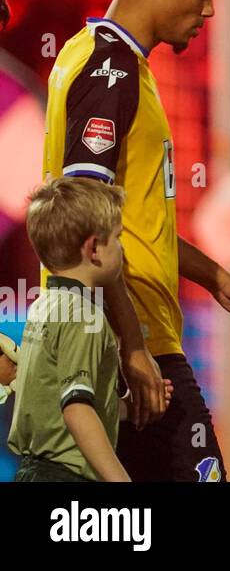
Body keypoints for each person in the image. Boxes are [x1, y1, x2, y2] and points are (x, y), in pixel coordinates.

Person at [42, 0, 230, 481]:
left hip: (118, 336)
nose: (208, 11)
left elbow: (125, 222)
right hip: (124, 341)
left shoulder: (102, 60)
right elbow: (84, 223)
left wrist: (216, 278)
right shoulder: (110, 71)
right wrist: (134, 349)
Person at [8, 177, 170, 482]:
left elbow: (56, 401)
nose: (122, 249)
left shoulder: (45, 306)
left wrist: (124, 407)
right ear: (94, 248)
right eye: (118, 238)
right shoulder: (85, 318)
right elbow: (76, 409)